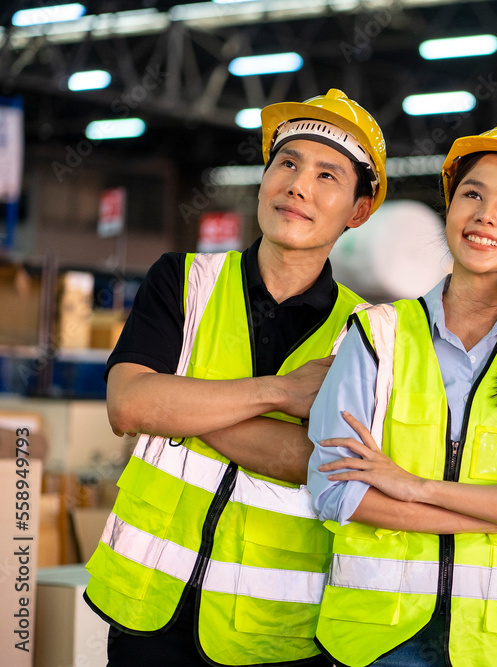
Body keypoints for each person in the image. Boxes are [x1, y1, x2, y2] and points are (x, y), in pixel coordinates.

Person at [84, 89, 387, 666]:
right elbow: (128, 406)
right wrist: (282, 392)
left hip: (273, 632)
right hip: (146, 609)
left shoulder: (369, 335)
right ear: (264, 177)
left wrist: (181, 407)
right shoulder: (182, 280)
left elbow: (315, 460)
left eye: (328, 174)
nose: (299, 185)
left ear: (358, 210)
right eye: (288, 163)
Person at [306, 123, 497, 667]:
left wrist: (413, 487)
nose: (485, 214)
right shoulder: (377, 335)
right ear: (449, 213)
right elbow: (338, 494)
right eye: (472, 194)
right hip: (378, 643)